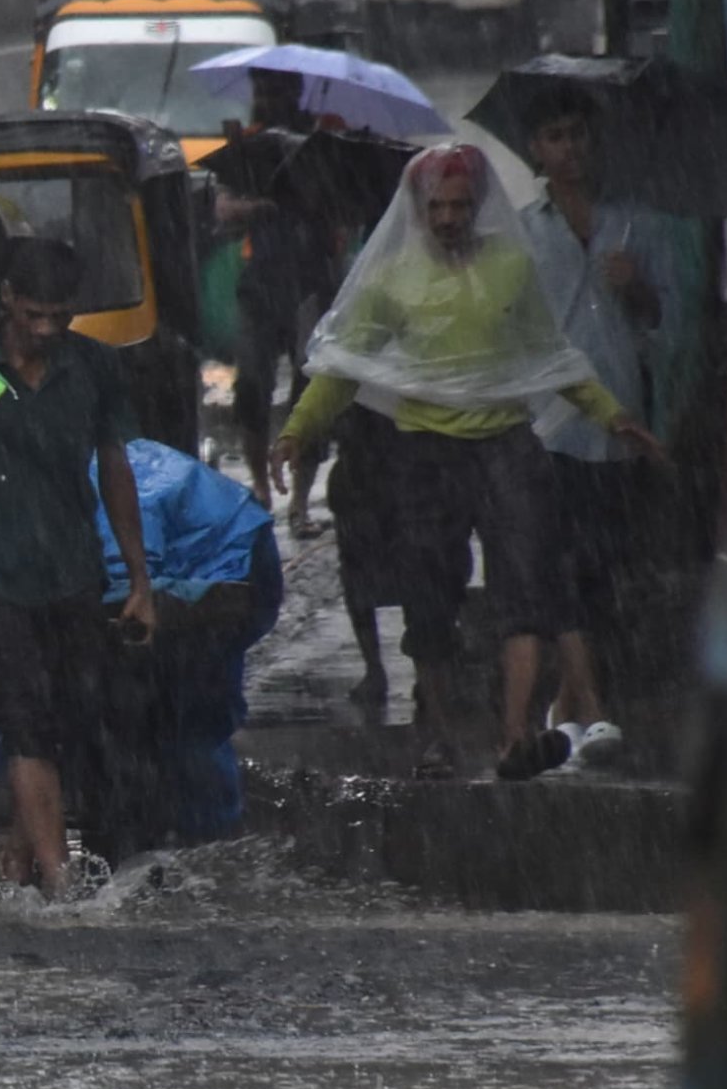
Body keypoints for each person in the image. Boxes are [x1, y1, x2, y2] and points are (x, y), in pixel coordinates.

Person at [271, 144, 664, 781]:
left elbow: (550, 354)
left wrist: (611, 416)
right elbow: (344, 369)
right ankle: (440, 731)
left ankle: (514, 736)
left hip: (506, 442)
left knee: (523, 588)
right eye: (438, 207)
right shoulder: (391, 277)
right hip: (424, 452)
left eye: (460, 206)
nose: (450, 218)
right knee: (429, 598)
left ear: (477, 207)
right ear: (418, 208)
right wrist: (297, 433)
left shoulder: (509, 267)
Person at [0, 240, 160, 894]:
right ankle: (62, 882)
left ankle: (21, 853)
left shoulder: (96, 368)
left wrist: (139, 582)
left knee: (72, 720)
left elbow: (116, 471)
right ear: (7, 299)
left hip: (74, 573)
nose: (47, 330)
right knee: (26, 722)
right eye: (34, 315)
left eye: (60, 317)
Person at [517, 95, 670, 747]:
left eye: (577, 134)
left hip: (620, 421)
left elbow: (661, 319)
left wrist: (635, 286)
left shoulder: (633, 223)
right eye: (555, 135)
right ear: (536, 151)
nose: (569, 148)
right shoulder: (524, 231)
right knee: (565, 560)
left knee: (605, 566)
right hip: (552, 425)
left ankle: (576, 697)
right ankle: (583, 699)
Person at [205, 64, 407, 494]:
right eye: (260, 90)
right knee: (252, 388)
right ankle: (261, 487)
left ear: (296, 93)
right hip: (261, 282)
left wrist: (323, 199)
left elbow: (352, 214)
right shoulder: (251, 147)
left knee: (312, 389)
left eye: (275, 90)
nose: (266, 99)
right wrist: (260, 207)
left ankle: (299, 498)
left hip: (313, 285)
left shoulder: (326, 145)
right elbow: (221, 209)